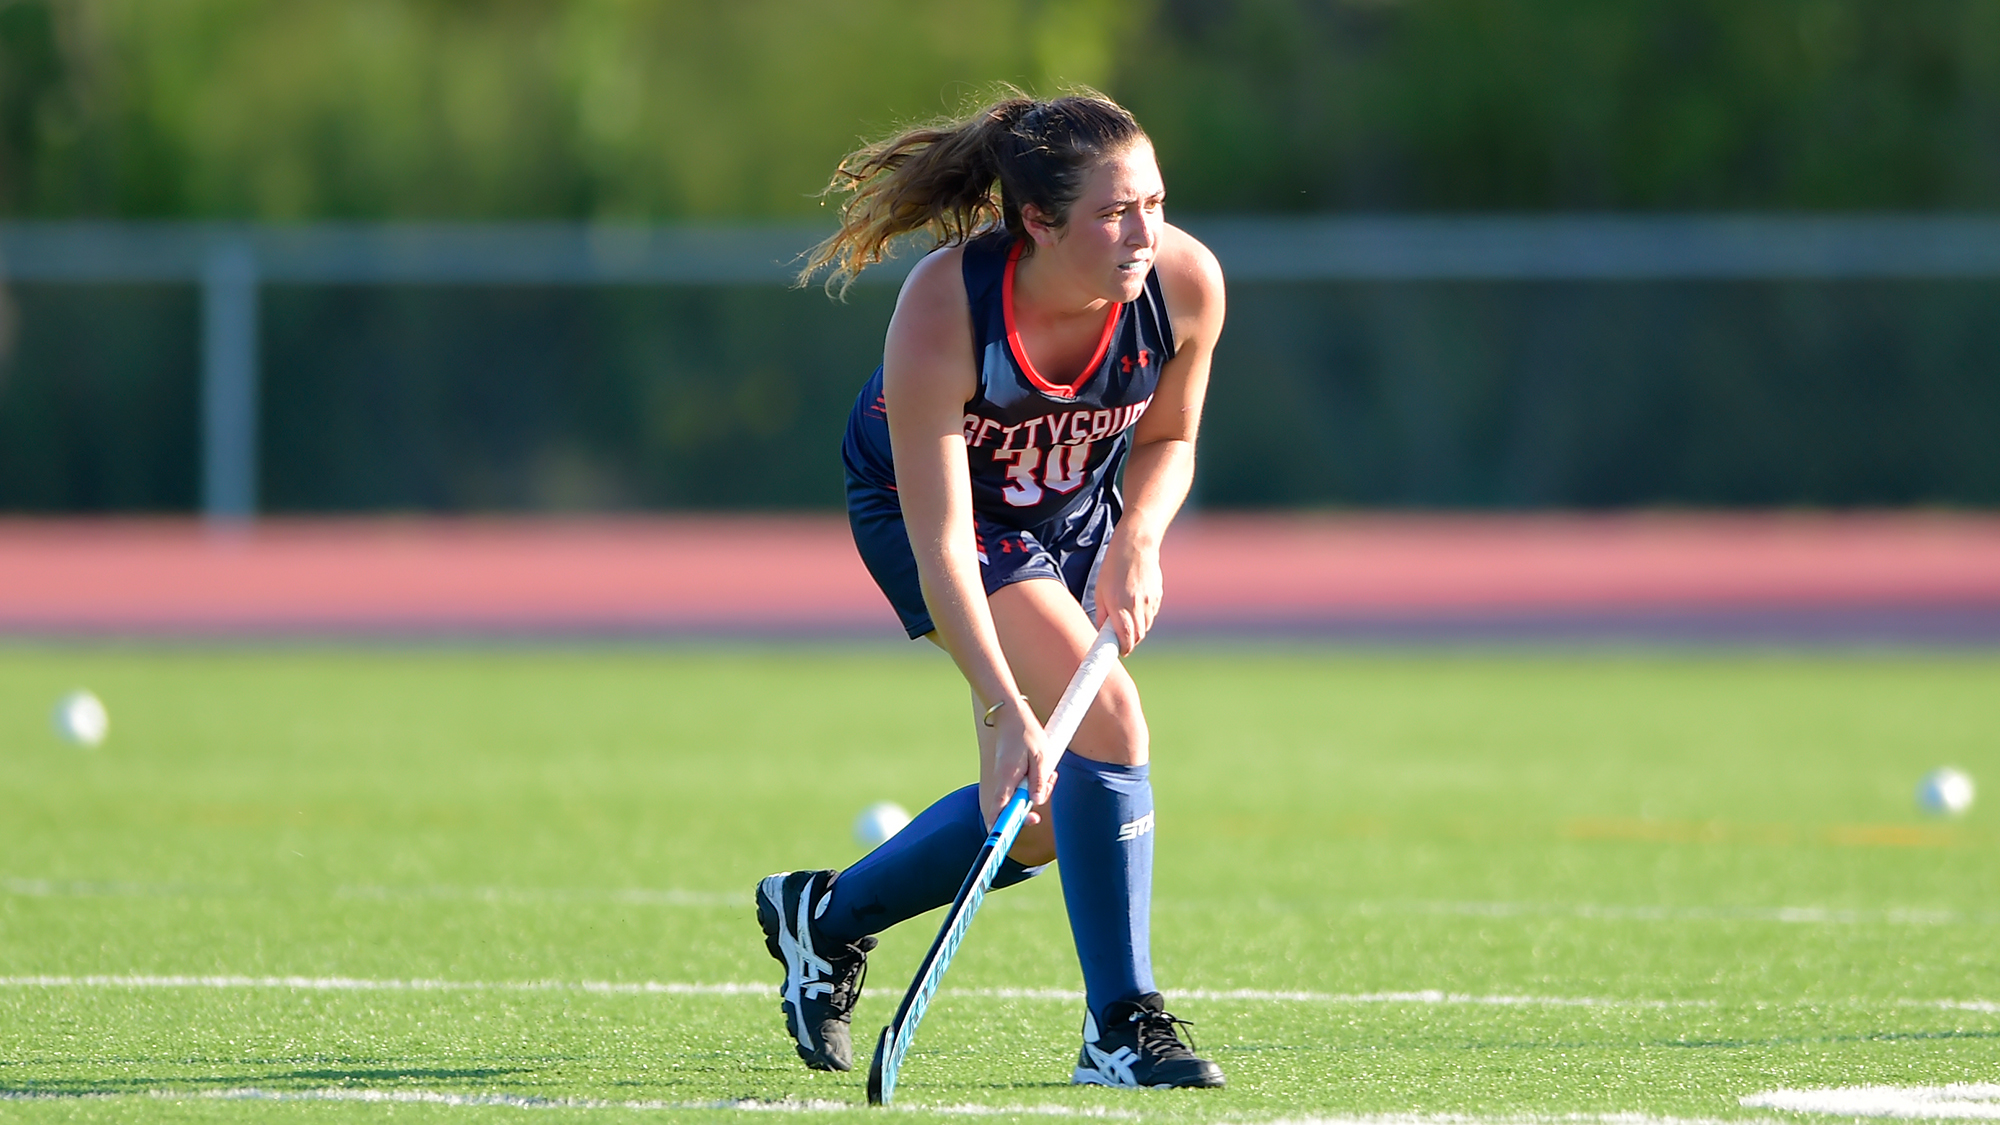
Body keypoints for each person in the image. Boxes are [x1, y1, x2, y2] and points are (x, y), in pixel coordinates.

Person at [755, 88, 1226, 1091]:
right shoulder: (946, 309)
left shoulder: (1183, 284)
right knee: (1109, 722)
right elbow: (943, 542)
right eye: (1114, 213)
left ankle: (823, 918)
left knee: (1044, 820)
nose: (1144, 232)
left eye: (1153, 203)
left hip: (1073, 510)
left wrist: (1138, 538)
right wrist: (1007, 704)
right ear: (1039, 223)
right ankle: (1120, 1025)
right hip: (936, 518)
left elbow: (1171, 437)